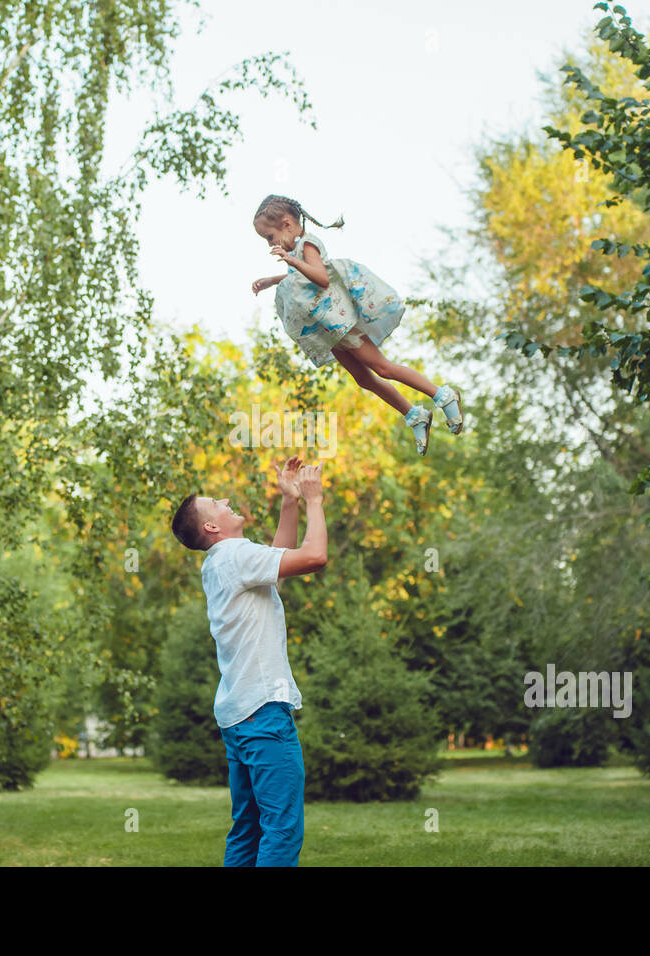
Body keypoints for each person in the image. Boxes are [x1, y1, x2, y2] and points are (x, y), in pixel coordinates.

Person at [170, 456, 326, 867]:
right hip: (262, 713)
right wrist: (314, 500)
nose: (225, 500)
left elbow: (278, 563)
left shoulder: (221, 562)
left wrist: (288, 502)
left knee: (248, 827)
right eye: (215, 503)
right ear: (211, 527)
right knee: (282, 827)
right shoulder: (234, 555)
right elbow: (313, 557)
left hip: (239, 715)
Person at [250, 193, 464, 456]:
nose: (269, 243)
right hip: (328, 329)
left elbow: (321, 278)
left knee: (382, 367)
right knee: (363, 378)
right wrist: (273, 279)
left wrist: (292, 260)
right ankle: (414, 415)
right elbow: (298, 278)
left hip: (340, 321)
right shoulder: (297, 251)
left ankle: (443, 395)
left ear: (286, 224)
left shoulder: (307, 245)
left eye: (269, 237)